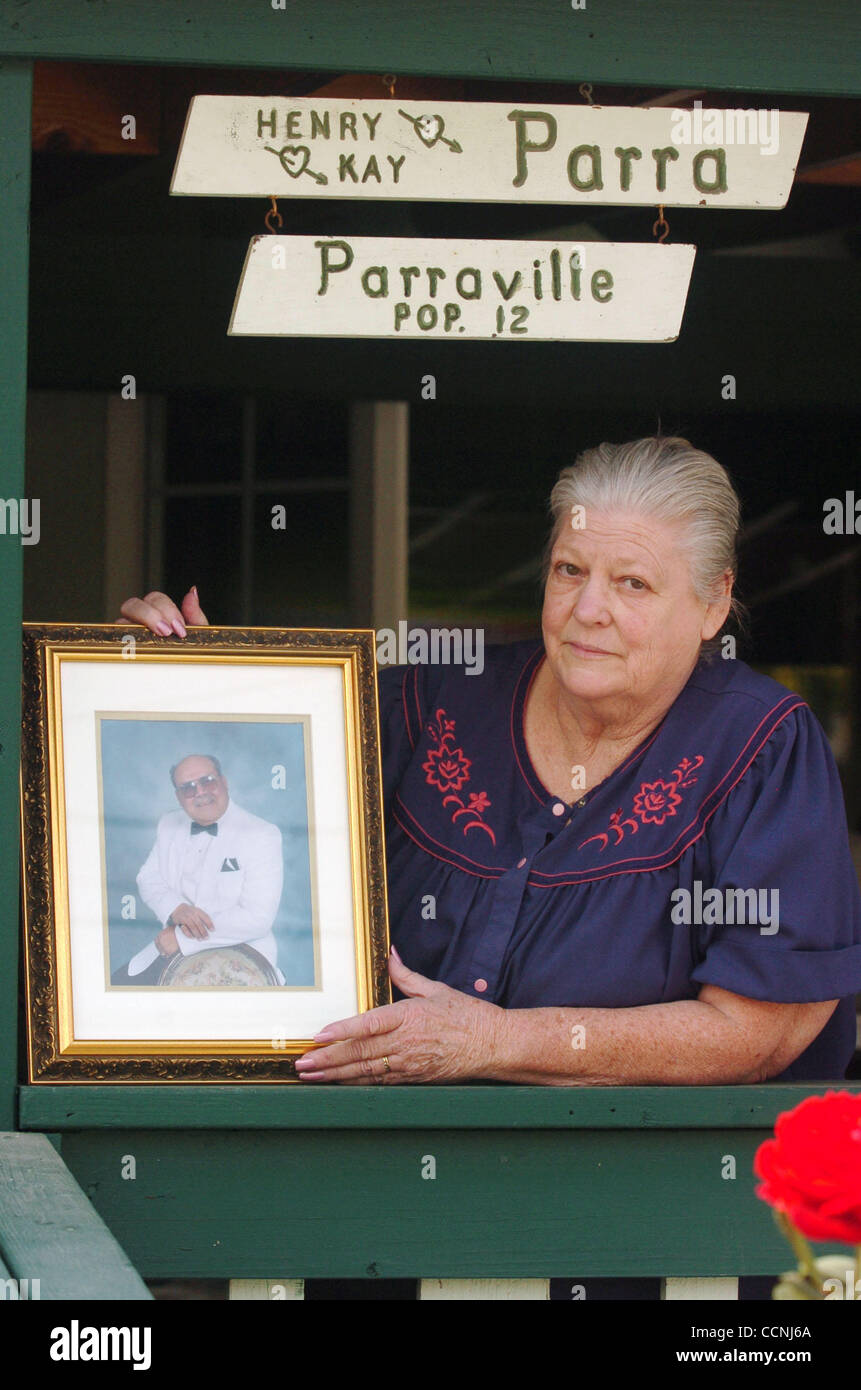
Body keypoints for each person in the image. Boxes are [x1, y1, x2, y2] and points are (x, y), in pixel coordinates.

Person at [119, 436, 861, 1083]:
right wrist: (191, 678)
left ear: (711, 604)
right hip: (358, 1174)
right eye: (570, 570)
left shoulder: (760, 746)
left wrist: (497, 1041)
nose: (587, 608)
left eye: (631, 583)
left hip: (645, 1205)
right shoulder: (426, 703)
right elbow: (258, 794)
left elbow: (761, 1028)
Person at [111, 752, 285, 985]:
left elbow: (257, 917)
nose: (200, 792)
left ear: (224, 782)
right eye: (188, 787)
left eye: (207, 781)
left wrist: (182, 938)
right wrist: (175, 908)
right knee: (120, 985)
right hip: (170, 949)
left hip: (239, 950)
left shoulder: (262, 834)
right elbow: (148, 878)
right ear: (179, 797)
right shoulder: (168, 824)